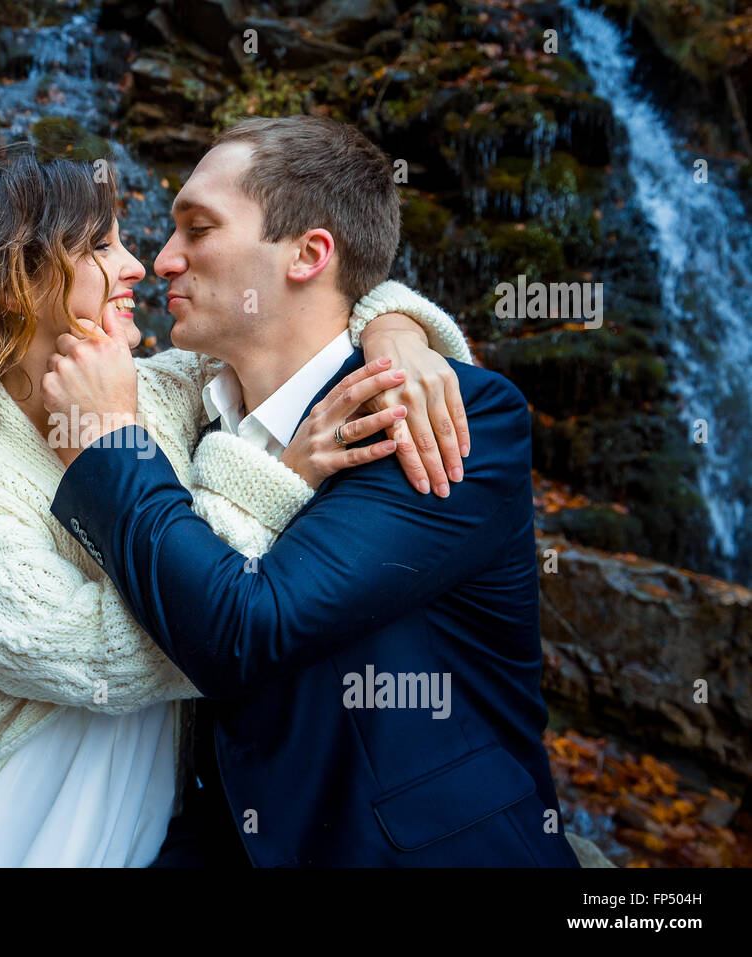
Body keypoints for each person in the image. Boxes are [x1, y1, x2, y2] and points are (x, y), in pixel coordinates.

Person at [0, 141, 473, 868]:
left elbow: (310, 303)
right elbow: (94, 659)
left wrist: (401, 330)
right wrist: (275, 481)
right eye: (101, 246)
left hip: (154, 826)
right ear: (14, 279)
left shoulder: (166, 390)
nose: (139, 267)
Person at [43, 115, 581, 866]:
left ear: (309, 253)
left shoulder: (437, 414)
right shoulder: (193, 415)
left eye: (198, 229)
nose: (162, 260)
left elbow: (246, 629)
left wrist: (109, 442)